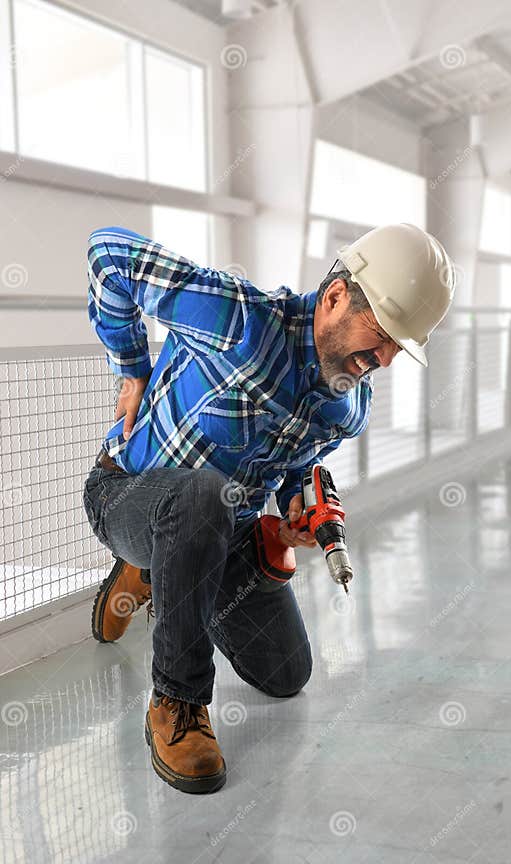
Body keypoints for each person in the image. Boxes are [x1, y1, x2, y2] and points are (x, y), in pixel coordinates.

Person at [82, 222, 455, 794]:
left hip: (218, 528)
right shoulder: (239, 320)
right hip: (128, 492)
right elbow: (109, 253)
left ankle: (164, 569)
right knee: (200, 492)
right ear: (335, 298)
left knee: (287, 675)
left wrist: (296, 516)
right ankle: (176, 703)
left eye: (397, 348)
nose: (382, 359)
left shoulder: (346, 407)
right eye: (379, 334)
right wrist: (130, 369)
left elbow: (292, 463)